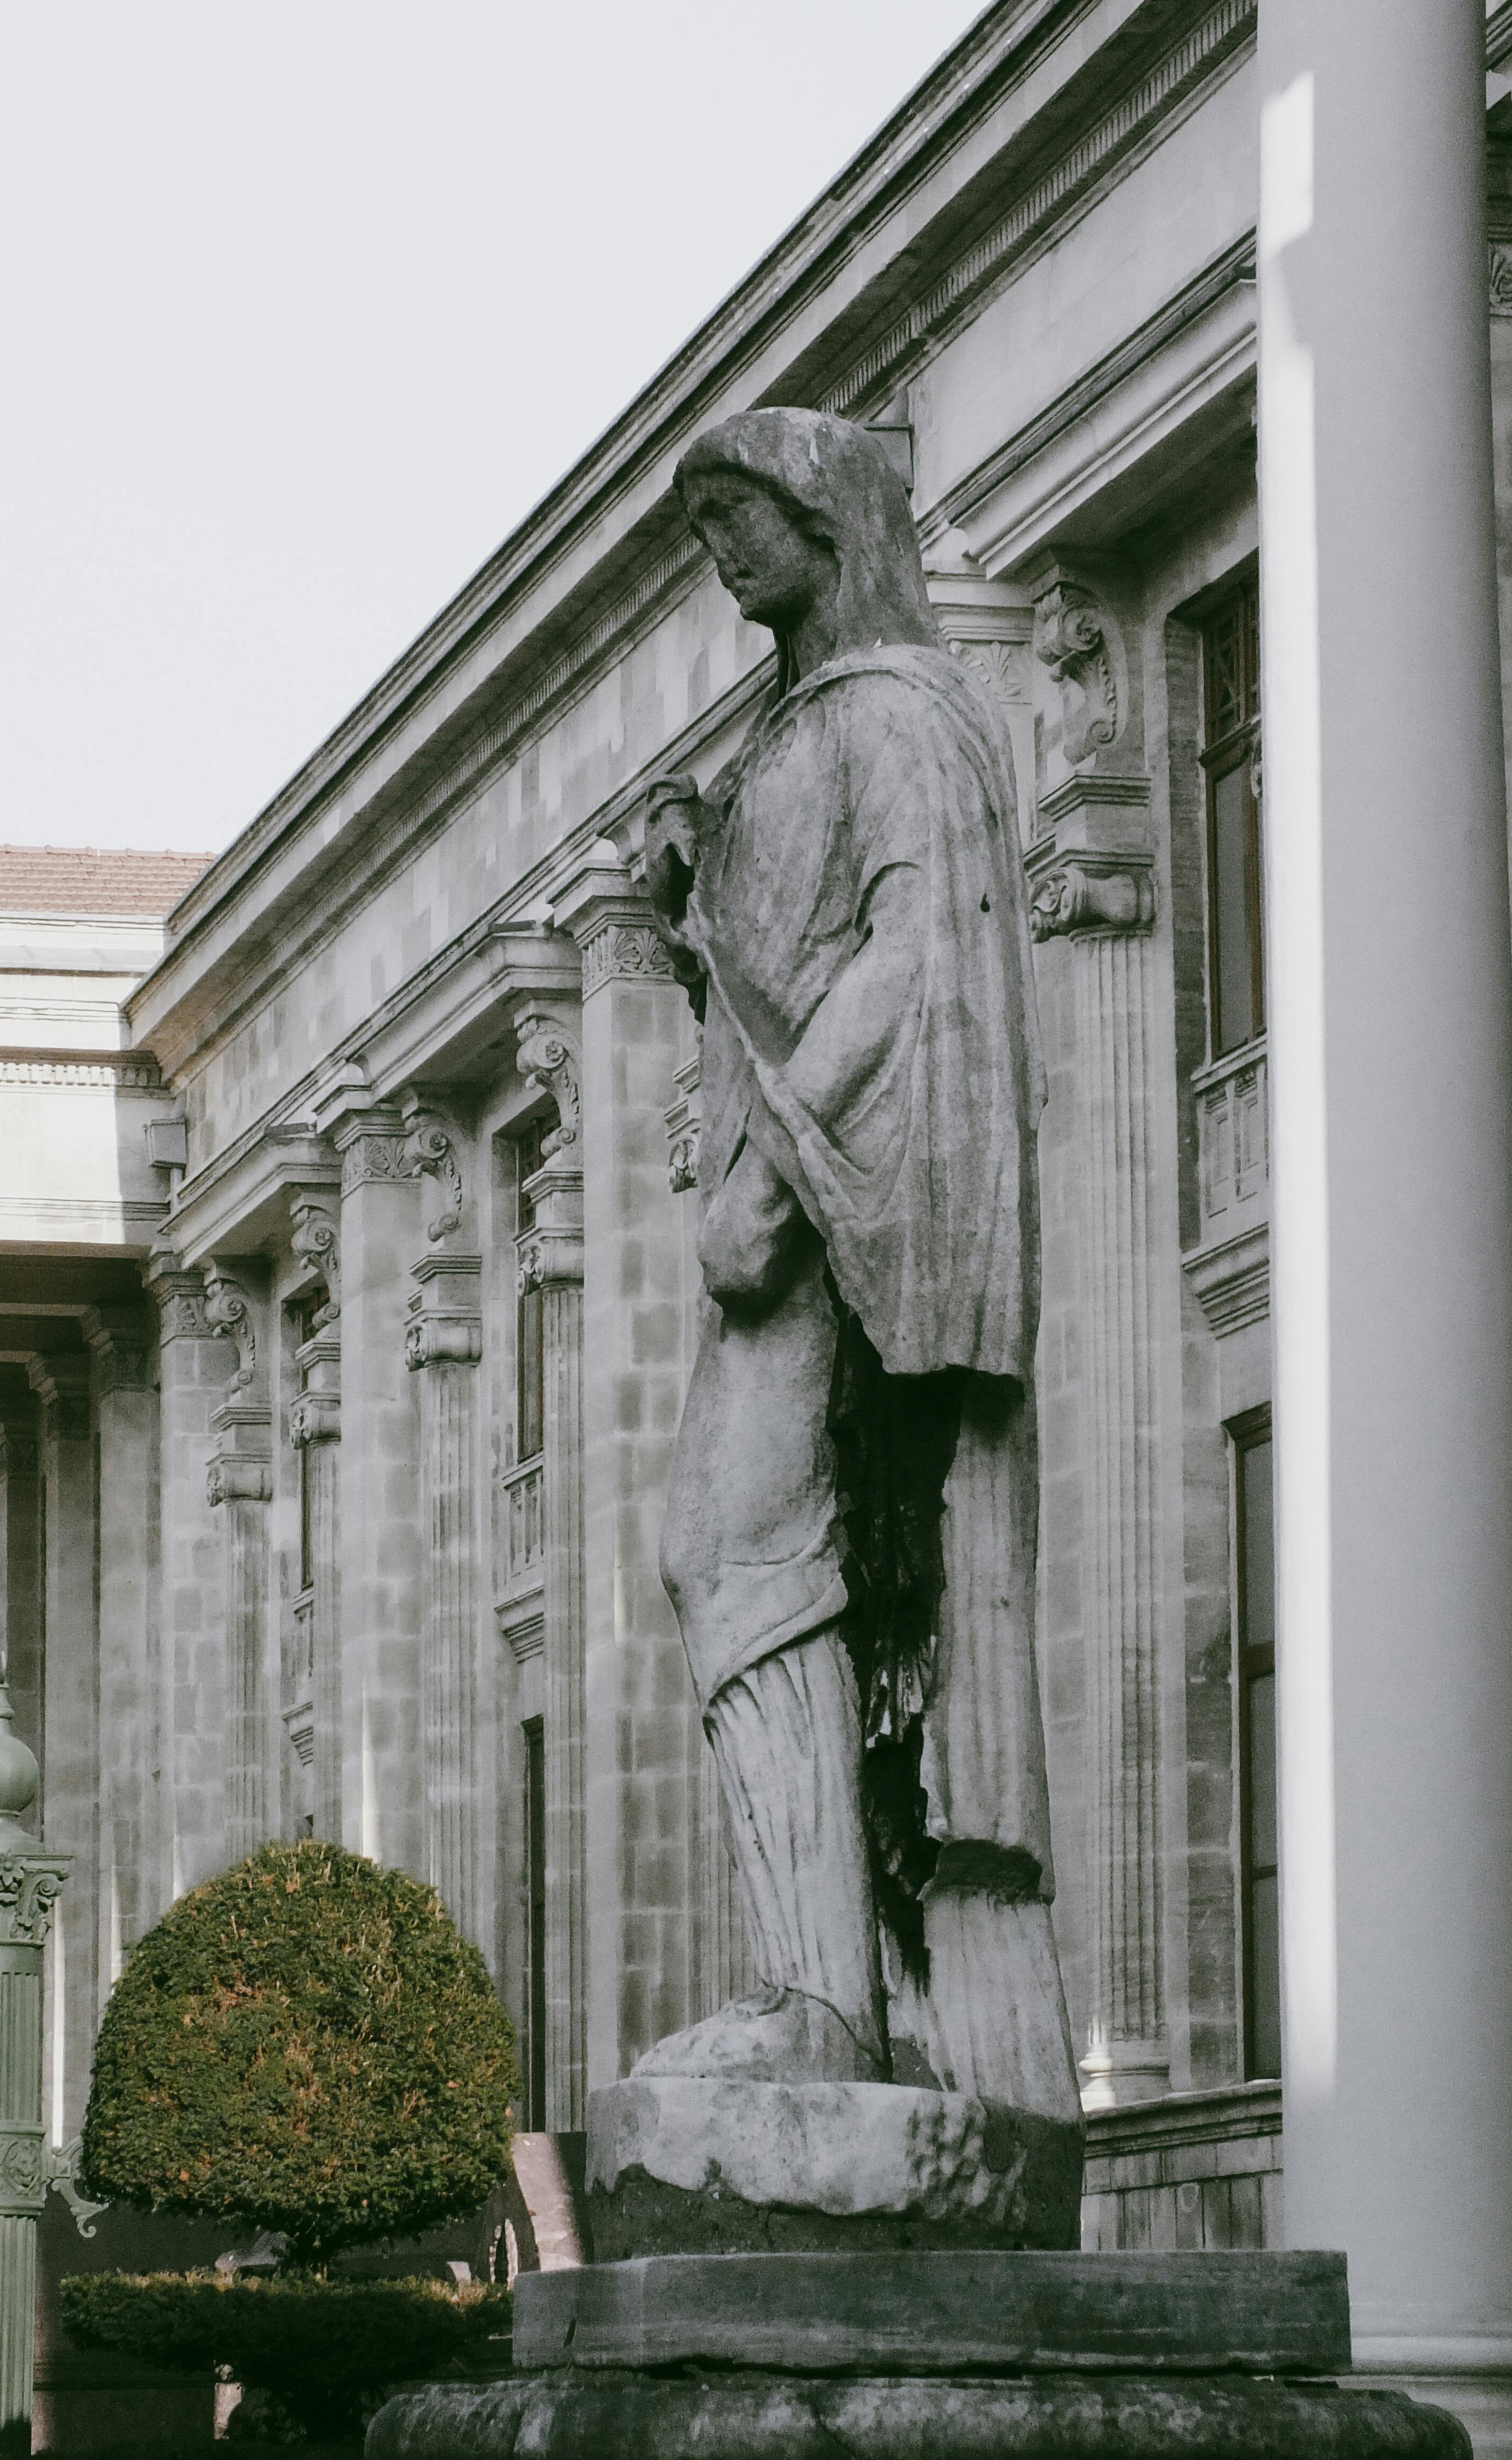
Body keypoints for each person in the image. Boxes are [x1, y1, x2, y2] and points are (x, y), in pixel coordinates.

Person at [644, 407, 1078, 2120]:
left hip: (853, 1207)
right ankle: (838, 1991)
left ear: (829, 518)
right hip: (803, 1190)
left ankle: (831, 2001)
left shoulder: (900, 715)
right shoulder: (801, 727)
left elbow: (921, 953)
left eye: (746, 510)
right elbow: (799, 953)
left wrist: (787, 1166)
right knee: (740, 1554)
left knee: (735, 1545)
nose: (724, 548)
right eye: (706, 523)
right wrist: (704, 922)